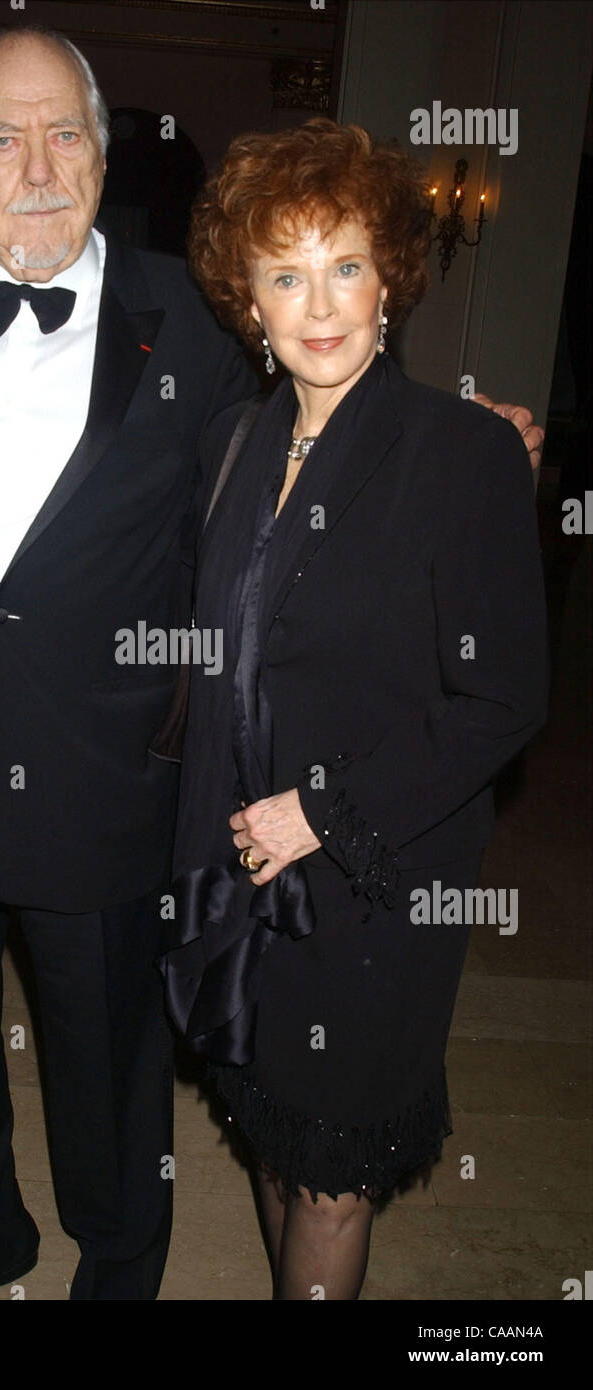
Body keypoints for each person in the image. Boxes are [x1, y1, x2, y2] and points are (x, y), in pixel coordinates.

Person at [0, 28, 540, 1302]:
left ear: (101, 147)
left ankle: (120, 1254)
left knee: (108, 1050)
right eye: (2, 137)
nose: (38, 165)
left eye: (65, 131)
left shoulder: (192, 311)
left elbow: (334, 380)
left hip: (113, 772)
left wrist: (483, 430)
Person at [158, 117, 549, 1301]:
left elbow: (500, 698)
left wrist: (317, 812)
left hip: (367, 887)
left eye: (344, 264)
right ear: (247, 300)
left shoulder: (459, 452)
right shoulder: (231, 442)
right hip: (238, 875)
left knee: (329, 1177)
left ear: (391, 278)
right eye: (284, 273)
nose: (317, 303)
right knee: (274, 1128)